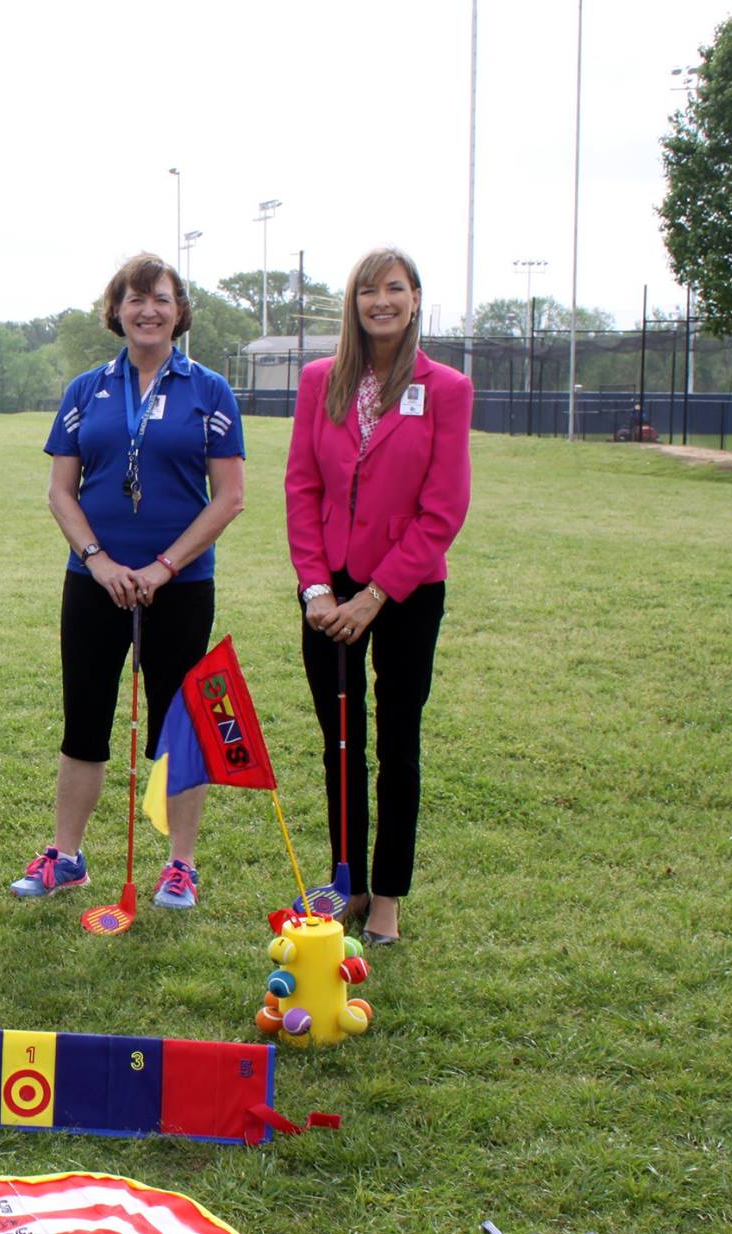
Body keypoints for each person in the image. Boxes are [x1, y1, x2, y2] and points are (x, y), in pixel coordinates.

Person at [8, 253, 245, 909]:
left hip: (181, 583)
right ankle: (67, 856)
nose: (148, 310)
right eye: (135, 299)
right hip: (94, 582)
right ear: (116, 310)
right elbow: (61, 491)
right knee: (84, 718)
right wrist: (100, 561)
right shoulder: (88, 390)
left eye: (161, 299)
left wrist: (163, 567)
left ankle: (180, 864)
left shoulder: (209, 390)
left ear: (179, 311)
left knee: (180, 726)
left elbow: (228, 497)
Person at [284, 247, 471, 946]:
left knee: (397, 743)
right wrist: (316, 588)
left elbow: (442, 510)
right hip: (326, 597)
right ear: (353, 303)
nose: (381, 301)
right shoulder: (320, 381)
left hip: (405, 597)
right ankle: (348, 881)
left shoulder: (445, 388)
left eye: (394, 288)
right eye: (368, 290)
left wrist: (376, 596)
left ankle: (387, 892)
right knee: (340, 746)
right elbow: (302, 487)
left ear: (416, 298)